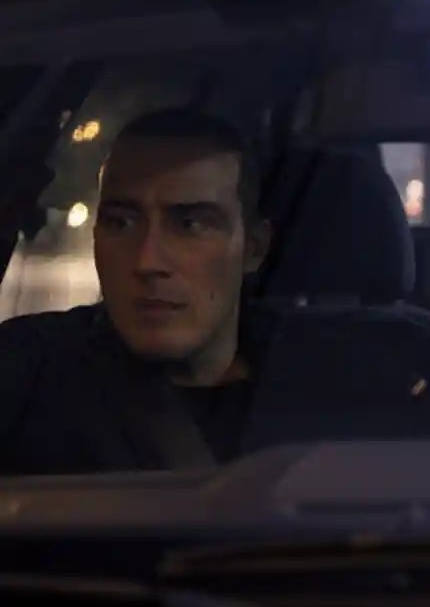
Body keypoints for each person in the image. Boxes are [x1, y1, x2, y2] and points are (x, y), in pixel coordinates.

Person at [0, 107, 275, 474]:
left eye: (190, 224)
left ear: (253, 248)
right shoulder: (27, 368)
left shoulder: (330, 388)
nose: (146, 261)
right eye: (121, 222)